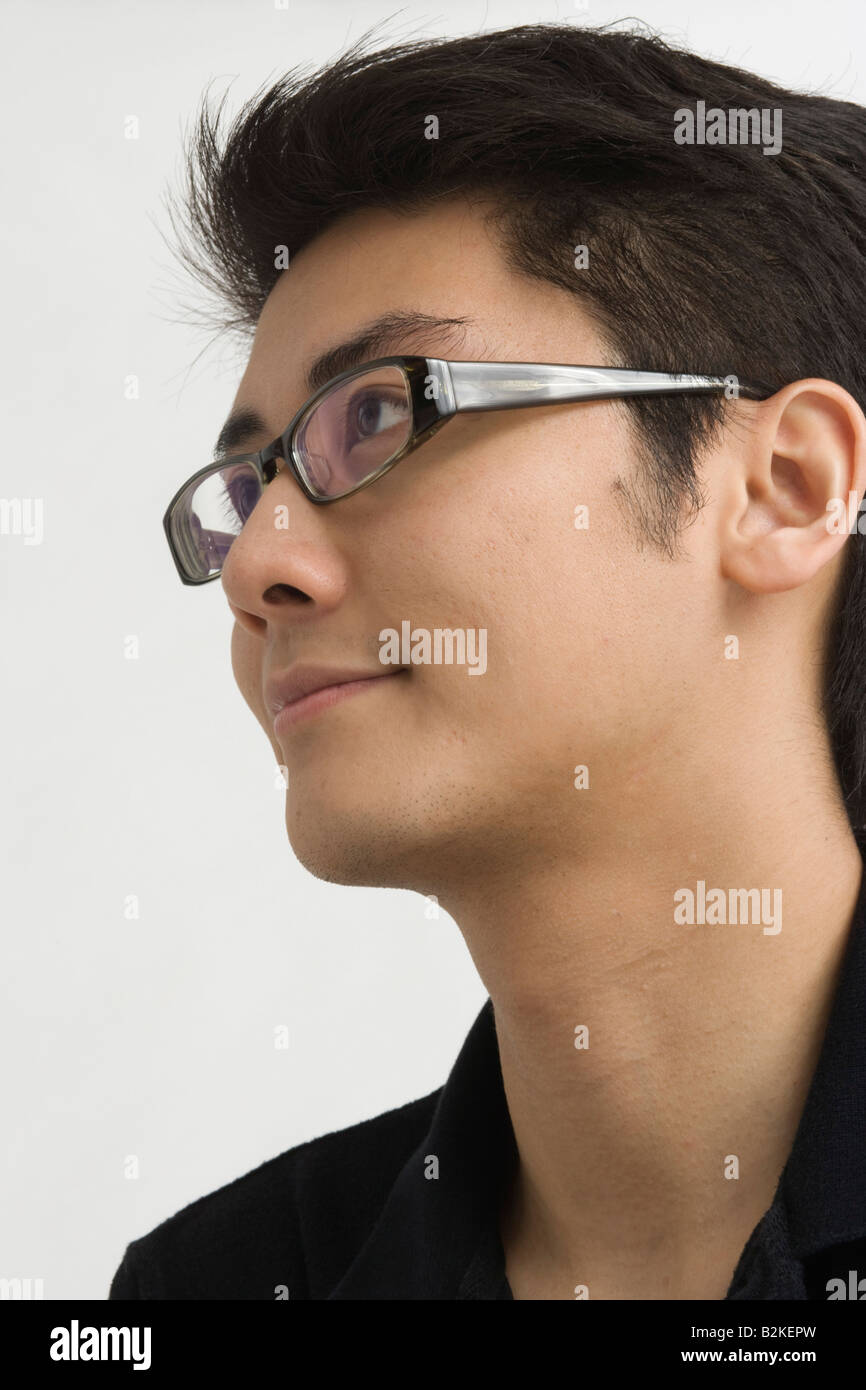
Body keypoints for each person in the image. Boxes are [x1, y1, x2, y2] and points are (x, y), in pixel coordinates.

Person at [109, 21, 866, 1300]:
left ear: (785, 490)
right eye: (248, 484)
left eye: (377, 412)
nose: (254, 568)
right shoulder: (225, 1282)